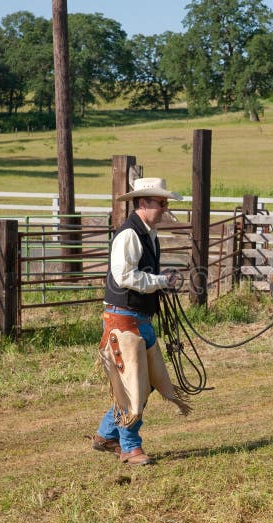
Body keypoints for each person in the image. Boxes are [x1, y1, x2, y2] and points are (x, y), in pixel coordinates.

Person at [92, 177, 190, 466]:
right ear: (144, 203)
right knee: (134, 385)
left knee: (140, 385)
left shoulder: (148, 234)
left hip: (136, 319)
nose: (164, 207)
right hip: (124, 322)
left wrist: (159, 282)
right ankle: (130, 447)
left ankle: (106, 434)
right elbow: (124, 276)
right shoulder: (129, 235)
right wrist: (160, 281)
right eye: (161, 202)